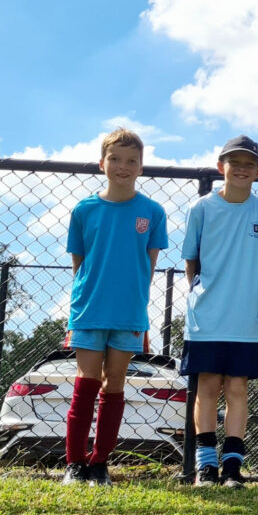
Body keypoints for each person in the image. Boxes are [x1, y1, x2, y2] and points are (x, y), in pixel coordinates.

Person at [64, 128, 168, 486]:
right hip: (89, 311)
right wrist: (87, 298)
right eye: (116, 159)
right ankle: (74, 465)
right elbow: (80, 264)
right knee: (86, 382)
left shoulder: (152, 212)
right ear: (102, 163)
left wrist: (136, 307)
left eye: (132, 161)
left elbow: (148, 266)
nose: (123, 166)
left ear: (141, 167)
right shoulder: (84, 209)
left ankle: (99, 464)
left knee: (115, 386)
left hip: (129, 315)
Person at [181, 135, 258, 488]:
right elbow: (191, 260)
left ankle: (232, 468)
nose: (240, 169)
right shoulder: (201, 209)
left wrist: (253, 297)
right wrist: (206, 295)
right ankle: (205, 468)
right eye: (233, 162)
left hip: (245, 320)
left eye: (248, 164)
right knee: (207, 386)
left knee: (237, 388)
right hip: (205, 317)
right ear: (221, 166)